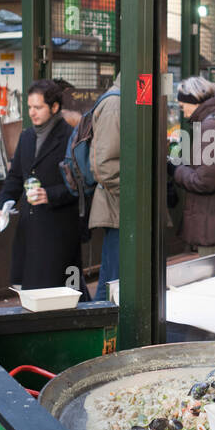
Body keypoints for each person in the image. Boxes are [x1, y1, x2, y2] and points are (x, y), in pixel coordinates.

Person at [0, 78, 88, 297]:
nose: (32, 112)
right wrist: (2, 205)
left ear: (54, 107)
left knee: (63, 293)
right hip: (30, 229)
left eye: (38, 107)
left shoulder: (71, 137)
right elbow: (15, 178)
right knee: (31, 292)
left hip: (60, 232)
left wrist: (51, 194)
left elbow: (83, 185)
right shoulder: (26, 136)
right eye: (29, 107)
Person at [170, 77, 215, 256]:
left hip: (211, 221)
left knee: (212, 274)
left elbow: (205, 181)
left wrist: (176, 170)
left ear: (193, 100)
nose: (182, 111)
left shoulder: (211, 127)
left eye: (182, 105)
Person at [87, 75, 120, 301]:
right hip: (117, 205)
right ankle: (106, 334)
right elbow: (104, 165)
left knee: (112, 277)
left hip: (118, 204)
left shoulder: (121, 101)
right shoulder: (115, 104)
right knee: (113, 280)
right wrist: (134, 197)